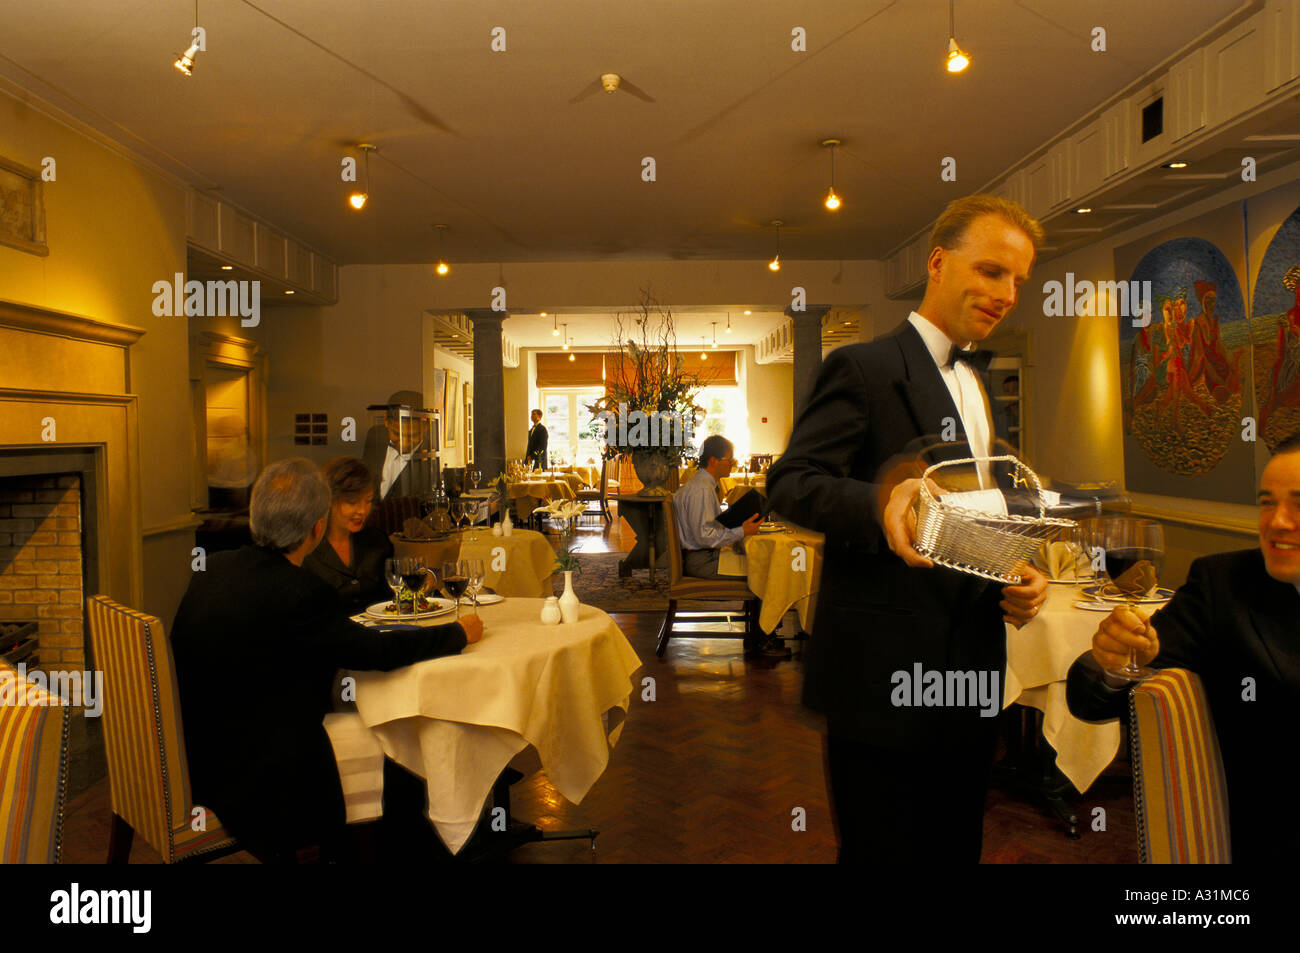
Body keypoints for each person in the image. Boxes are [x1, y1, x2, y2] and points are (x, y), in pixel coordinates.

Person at [765, 194, 1049, 863]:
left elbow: (974, 511)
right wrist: (882, 504)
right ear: (939, 263)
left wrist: (1014, 570)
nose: (1005, 293)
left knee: (955, 848)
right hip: (883, 676)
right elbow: (792, 482)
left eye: (1017, 280)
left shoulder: (978, 385)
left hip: (973, 666)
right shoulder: (864, 368)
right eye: (990, 271)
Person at [170, 457, 483, 863]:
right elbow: (378, 654)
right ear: (318, 527)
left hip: (201, 755)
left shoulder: (211, 569)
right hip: (262, 783)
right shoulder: (300, 591)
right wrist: (458, 633)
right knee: (399, 737)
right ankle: (409, 847)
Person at [1065, 433, 1300, 863]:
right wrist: (1112, 661)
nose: (1278, 522)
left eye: (1299, 504)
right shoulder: (1225, 587)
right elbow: (1092, 701)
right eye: (1267, 502)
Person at [302, 457, 393, 616]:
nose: (363, 510)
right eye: (352, 502)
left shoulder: (377, 542)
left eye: (368, 501)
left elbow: (393, 599)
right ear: (328, 500)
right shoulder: (306, 549)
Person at [672, 434, 762, 579]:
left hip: (707, 556)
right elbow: (704, 537)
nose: (732, 463)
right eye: (729, 460)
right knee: (763, 571)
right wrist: (742, 531)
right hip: (703, 562)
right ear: (713, 461)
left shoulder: (703, 485)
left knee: (761, 563)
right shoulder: (701, 490)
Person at [361, 390, 434, 500]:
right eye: (396, 434)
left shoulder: (432, 458)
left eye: (412, 436)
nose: (403, 443)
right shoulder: (374, 436)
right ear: (386, 420)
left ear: (426, 426)